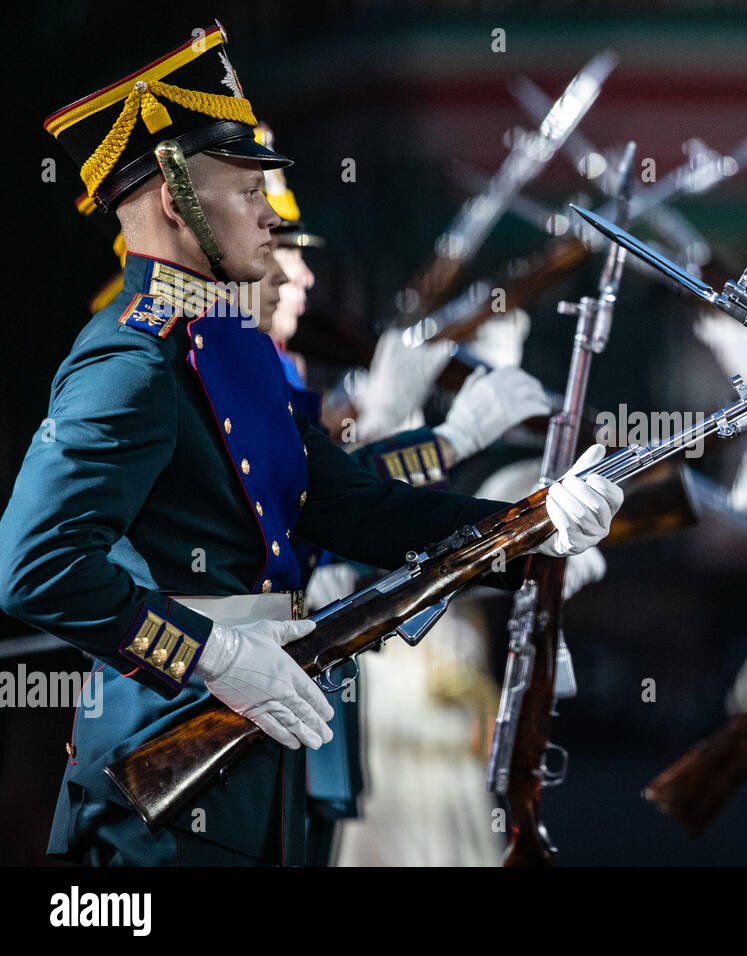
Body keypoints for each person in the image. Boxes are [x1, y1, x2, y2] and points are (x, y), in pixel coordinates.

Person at [0, 22, 621, 866]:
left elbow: (356, 506)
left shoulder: (236, 346)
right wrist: (212, 655)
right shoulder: (130, 360)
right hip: (162, 767)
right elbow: (37, 567)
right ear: (168, 200)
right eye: (245, 187)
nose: (269, 210)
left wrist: (536, 524)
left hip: (263, 749)